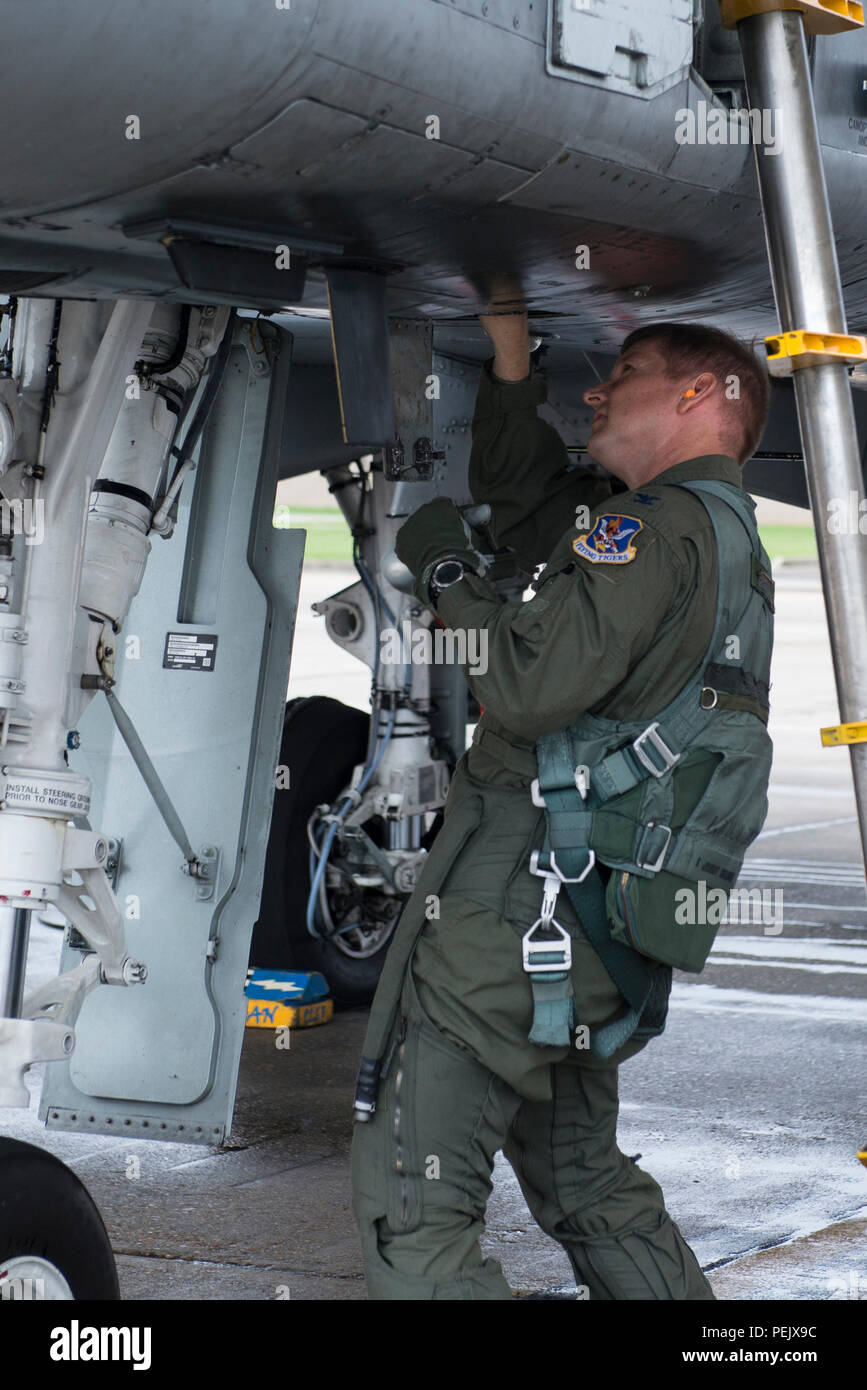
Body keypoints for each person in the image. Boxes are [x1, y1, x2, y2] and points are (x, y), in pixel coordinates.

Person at [350, 300, 772, 1300]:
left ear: (701, 394)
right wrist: (508, 358)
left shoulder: (647, 530)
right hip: (598, 920)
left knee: (415, 1208)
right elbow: (532, 494)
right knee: (586, 1182)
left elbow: (529, 686)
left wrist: (448, 569)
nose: (598, 387)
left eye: (625, 371)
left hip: (513, 911)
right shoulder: (723, 537)